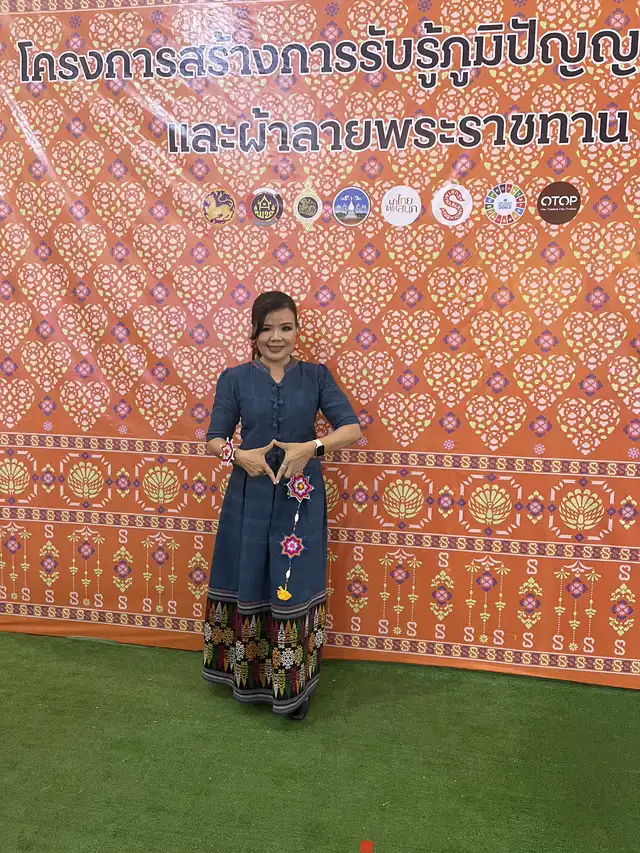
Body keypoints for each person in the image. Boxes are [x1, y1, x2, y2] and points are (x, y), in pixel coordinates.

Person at [203, 291, 362, 720]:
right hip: (249, 494)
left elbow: (351, 429)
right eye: (267, 328)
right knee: (249, 573)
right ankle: (247, 678)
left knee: (294, 581)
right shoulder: (234, 378)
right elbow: (214, 438)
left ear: (297, 331)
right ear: (254, 332)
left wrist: (311, 448)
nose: (276, 337)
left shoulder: (316, 377)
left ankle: (292, 688)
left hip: (300, 497)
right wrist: (239, 456)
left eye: (285, 328)